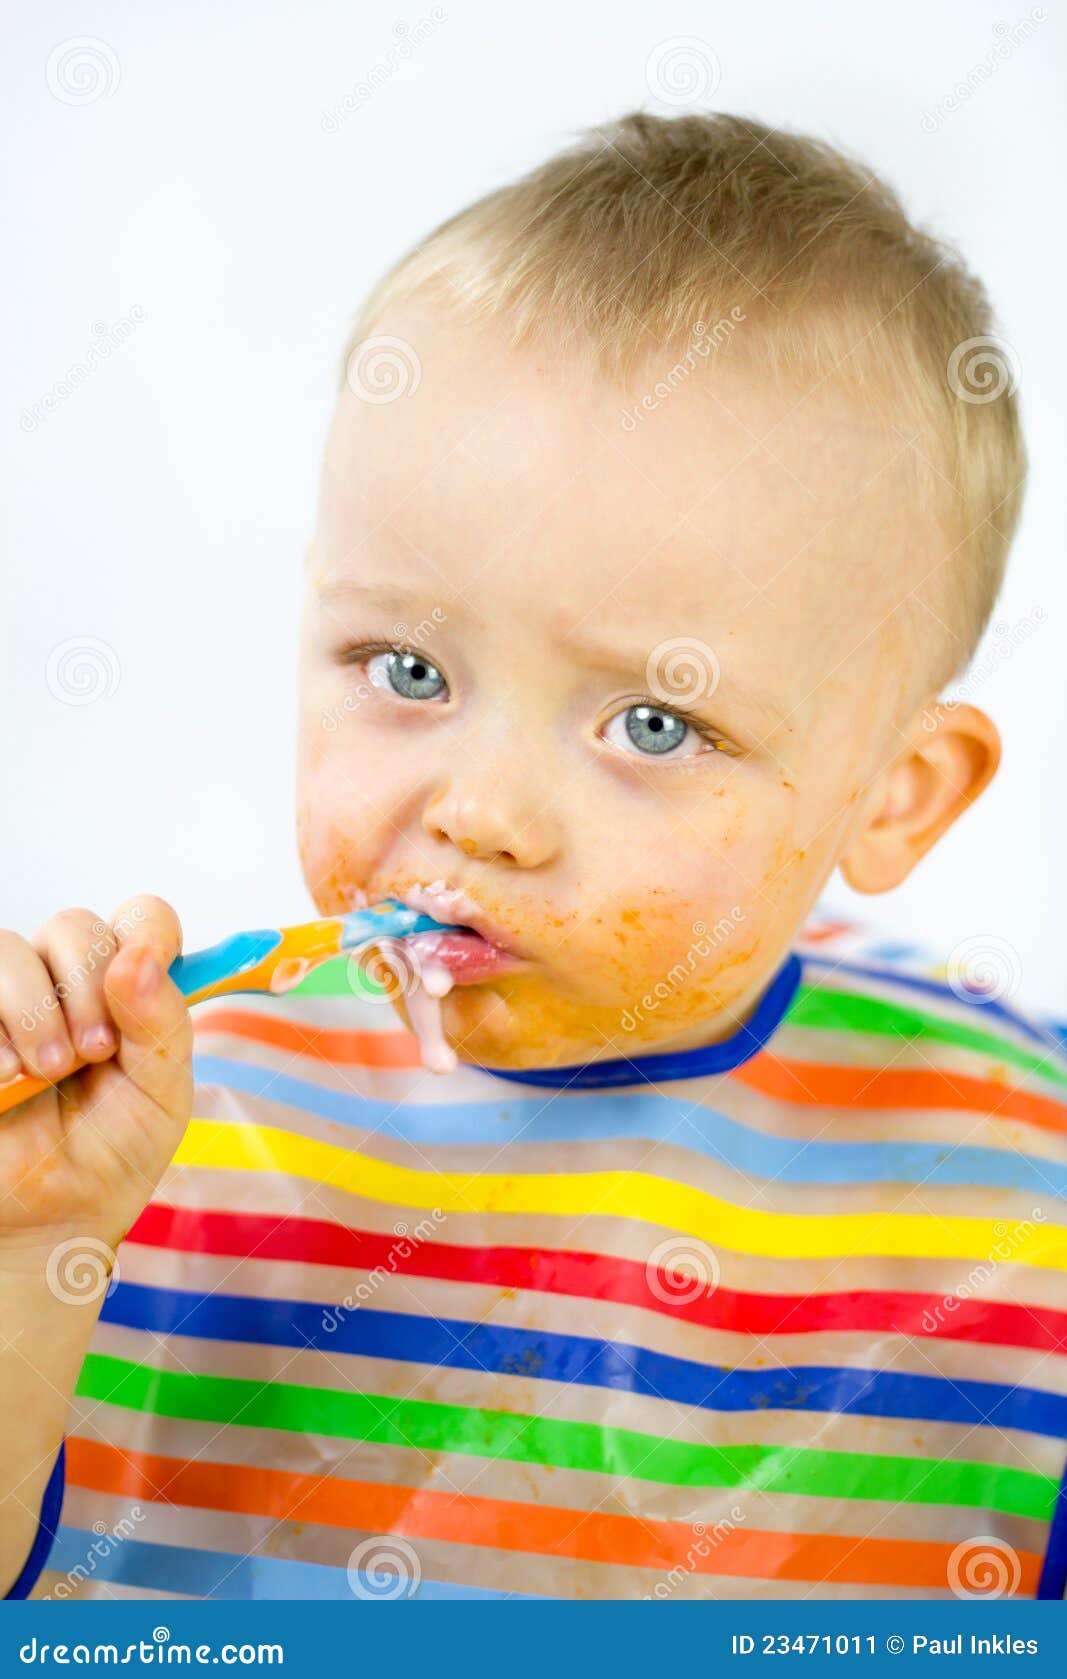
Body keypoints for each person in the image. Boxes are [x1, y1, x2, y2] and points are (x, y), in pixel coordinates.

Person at [3, 111, 1064, 1601]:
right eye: (409, 669)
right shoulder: (134, 1131)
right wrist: (23, 1259)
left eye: (652, 718)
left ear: (896, 793)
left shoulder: (1022, 1195)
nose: (482, 810)